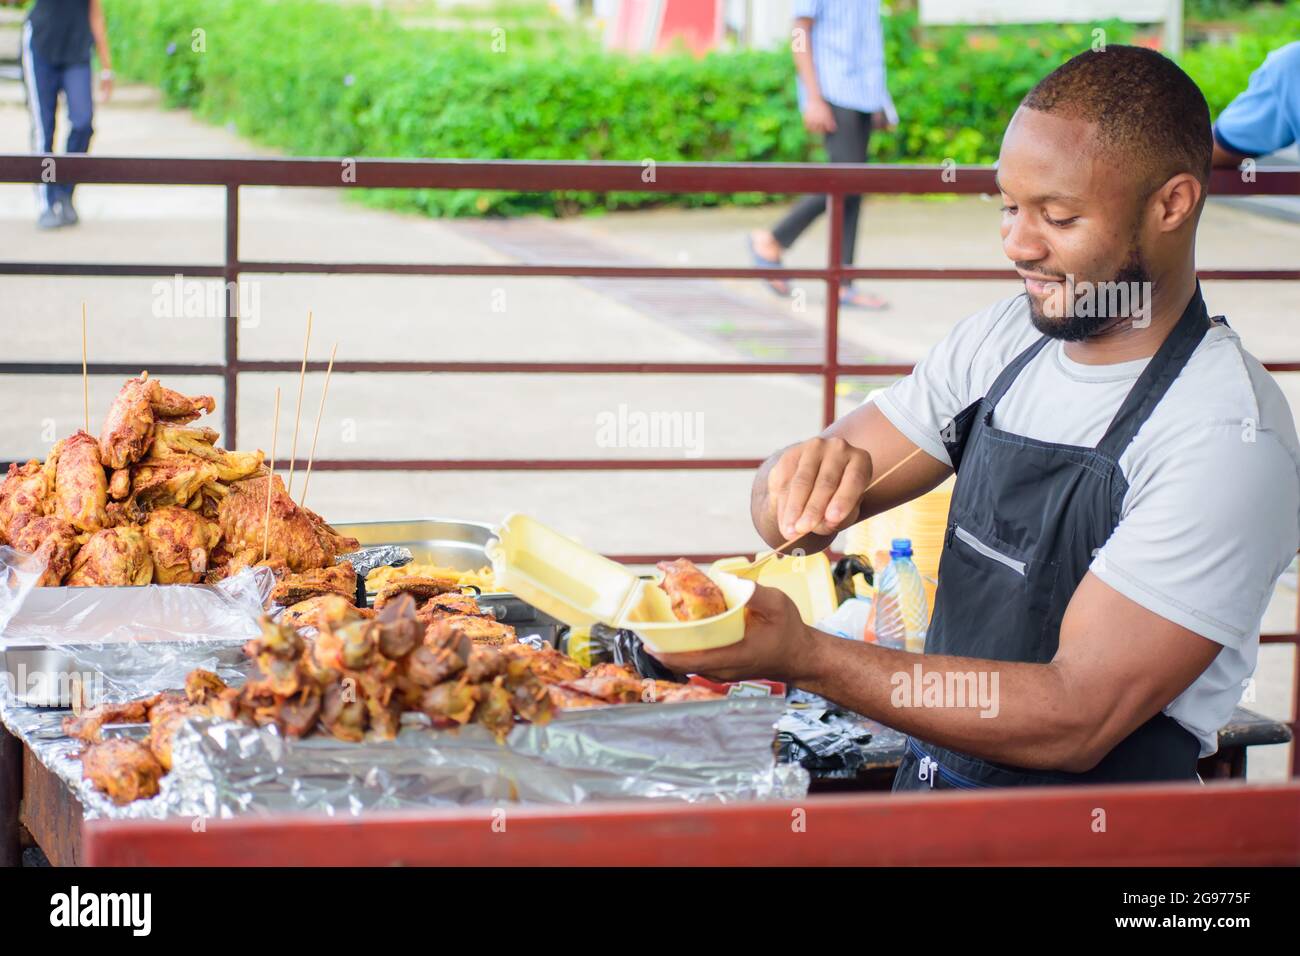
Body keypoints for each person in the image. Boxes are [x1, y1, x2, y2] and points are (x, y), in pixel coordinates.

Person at [652, 47, 1300, 790]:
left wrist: (806, 656)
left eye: (1059, 216)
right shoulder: (1002, 341)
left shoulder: (1225, 436)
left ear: (1172, 204)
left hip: (1097, 837)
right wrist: (793, 480)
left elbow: (1076, 715)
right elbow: (783, 515)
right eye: (1008, 206)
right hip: (927, 793)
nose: (1019, 245)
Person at [747, 0, 895, 311]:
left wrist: (880, 100)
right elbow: (800, 32)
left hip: (863, 95)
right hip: (833, 90)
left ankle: (843, 283)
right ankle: (772, 239)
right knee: (844, 181)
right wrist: (813, 98)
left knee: (853, 189)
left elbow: (868, 41)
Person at [17, 0, 113, 228]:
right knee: (44, 128)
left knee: (83, 123)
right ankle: (47, 203)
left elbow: (96, 13)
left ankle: (65, 191)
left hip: (77, 48)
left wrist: (107, 67)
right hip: (41, 45)